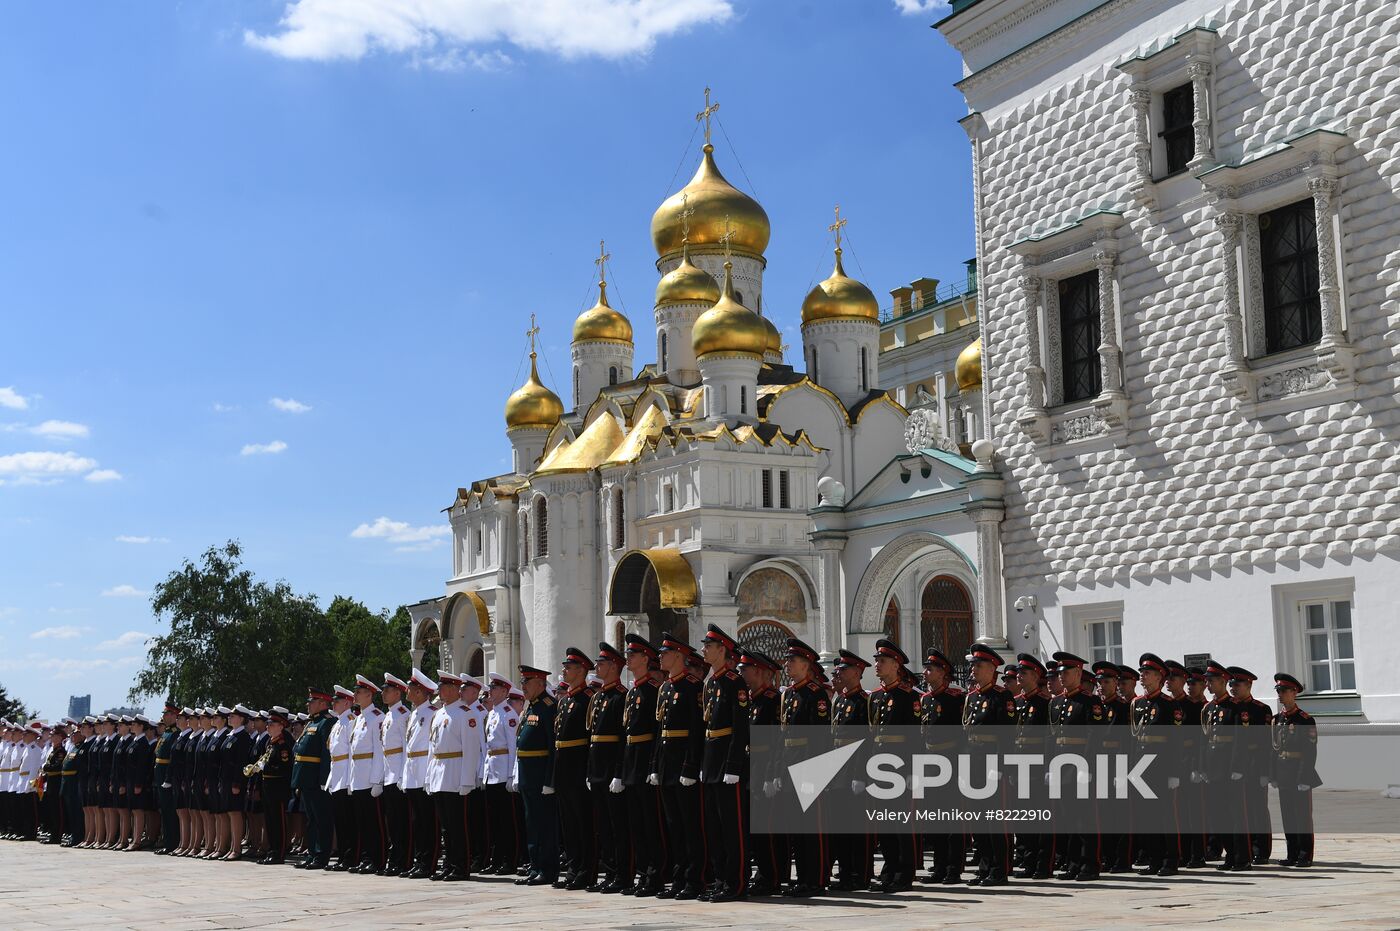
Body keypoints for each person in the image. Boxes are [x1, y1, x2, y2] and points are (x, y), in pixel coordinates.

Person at [772, 637, 830, 898]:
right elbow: (783, 737)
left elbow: (819, 739)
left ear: (806, 665)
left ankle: (815, 879)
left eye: (792, 660)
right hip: (789, 765)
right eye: (787, 660)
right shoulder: (789, 694)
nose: (787, 664)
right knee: (796, 828)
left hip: (808, 769)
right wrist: (779, 771)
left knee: (810, 829)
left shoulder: (815, 694)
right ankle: (802, 878)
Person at [651, 633, 706, 900]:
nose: (660, 657)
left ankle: (694, 879)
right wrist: (655, 766)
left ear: (678, 656)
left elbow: (696, 731)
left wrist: (690, 766)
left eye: (665, 653)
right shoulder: (665, 688)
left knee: (690, 825)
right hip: (666, 765)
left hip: (684, 765)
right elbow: (660, 731)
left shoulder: (693, 687)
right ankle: (678, 877)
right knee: (673, 825)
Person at [698, 624, 750, 902]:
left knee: (732, 828)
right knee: (714, 828)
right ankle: (720, 880)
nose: (704, 650)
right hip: (711, 762)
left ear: (722, 650)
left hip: (727, 764)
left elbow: (740, 729)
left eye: (709, 646)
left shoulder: (734, 682)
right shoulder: (710, 683)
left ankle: (736, 882)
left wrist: (733, 765)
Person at [962, 642, 1015, 886]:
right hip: (974, 765)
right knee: (979, 821)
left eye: (979, 665)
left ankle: (999, 869)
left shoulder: (1002, 696)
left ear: (992, 668)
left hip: (992, 765)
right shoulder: (972, 697)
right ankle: (984, 867)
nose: (973, 669)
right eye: (973, 665)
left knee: (995, 821)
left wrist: (1000, 767)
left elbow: (1007, 736)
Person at [868, 639, 918, 892]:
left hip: (899, 769)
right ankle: (889, 870)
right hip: (879, 768)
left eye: (882, 661)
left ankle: (904, 874)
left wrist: (911, 771)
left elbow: (915, 737)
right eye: (877, 660)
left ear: (896, 665)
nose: (877, 665)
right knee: (884, 824)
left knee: (901, 824)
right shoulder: (875, 697)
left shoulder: (908, 696)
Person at [550, 647, 597, 890]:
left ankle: (586, 871)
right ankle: (572, 868)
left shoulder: (588, 699)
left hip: (578, 768)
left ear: (581, 670)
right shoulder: (566, 700)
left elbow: (590, 739)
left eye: (569, 668)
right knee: (568, 824)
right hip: (564, 769)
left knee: (582, 823)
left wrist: (588, 770)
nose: (564, 671)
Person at [586, 642, 631, 894]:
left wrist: (618, 773)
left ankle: (623, 874)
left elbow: (622, 739)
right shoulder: (599, 697)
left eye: (601, 663)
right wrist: (590, 771)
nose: (597, 667)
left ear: (614, 667)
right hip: (598, 770)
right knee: (603, 826)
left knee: (617, 826)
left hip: (612, 770)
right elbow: (593, 739)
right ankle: (611, 872)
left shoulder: (620, 697)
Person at [919, 648, 966, 884]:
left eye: (930, 669)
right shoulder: (925, 699)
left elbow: (964, 734)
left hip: (950, 762)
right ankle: (938, 867)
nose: (925, 673)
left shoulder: (955, 698)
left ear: (942, 672)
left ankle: (953, 868)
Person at [1131, 654, 1181, 876]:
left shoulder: (1169, 704)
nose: (1142, 676)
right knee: (1146, 816)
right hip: (1141, 769)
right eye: (1141, 672)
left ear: (1159, 677)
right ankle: (1154, 859)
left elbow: (1175, 742)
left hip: (1161, 767)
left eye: (1147, 672)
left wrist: (1174, 772)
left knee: (1165, 816)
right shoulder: (1137, 704)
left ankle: (1170, 860)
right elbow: (1133, 740)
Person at [739, 649, 784, 896]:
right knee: (752, 827)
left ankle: (771, 876)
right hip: (750, 766)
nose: (742, 673)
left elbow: (776, 741)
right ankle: (762, 874)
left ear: (758, 671)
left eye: (745, 669)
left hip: (764, 766)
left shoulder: (772, 699)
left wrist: (770, 774)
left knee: (766, 827)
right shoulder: (750, 699)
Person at [828, 649, 872, 892]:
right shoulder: (840, 701)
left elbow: (866, 742)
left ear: (856, 672)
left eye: (843, 670)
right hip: (838, 769)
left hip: (854, 768)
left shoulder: (863, 702)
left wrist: (860, 775)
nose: (839, 673)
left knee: (857, 827)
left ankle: (861, 874)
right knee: (840, 826)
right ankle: (845, 872)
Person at [514, 664, 560, 887]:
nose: (523, 686)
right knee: (531, 823)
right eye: (522, 682)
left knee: (545, 824)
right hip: (527, 774)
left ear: (540, 684)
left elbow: (553, 747)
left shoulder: (548, 707)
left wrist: (550, 780)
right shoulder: (530, 708)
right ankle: (535, 867)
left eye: (527, 682)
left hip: (541, 775)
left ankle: (547, 870)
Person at [427, 670, 473, 882]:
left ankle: (461, 866)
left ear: (455, 689)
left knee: (457, 825)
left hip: (455, 773)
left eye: (444, 687)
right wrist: (429, 777)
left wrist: (467, 780)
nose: (441, 691)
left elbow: (470, 750)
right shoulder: (438, 714)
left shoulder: (465, 714)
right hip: (439, 773)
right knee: (445, 825)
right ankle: (448, 864)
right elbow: (432, 747)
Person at [1271, 672, 1320, 867]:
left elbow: (1310, 752)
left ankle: (1305, 855)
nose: (1280, 694)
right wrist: (1274, 775)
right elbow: (1273, 750)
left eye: (1284, 691)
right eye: (1278, 691)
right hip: (1283, 773)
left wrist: (1304, 778)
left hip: (1299, 773)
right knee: (1288, 816)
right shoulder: (1277, 720)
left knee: (1302, 817)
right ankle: (1292, 853)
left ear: (1294, 692)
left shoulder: (1304, 720)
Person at [1227, 666, 1273, 866]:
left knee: (1257, 809)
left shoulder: (1261, 709)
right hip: (1234, 764)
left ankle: (1261, 850)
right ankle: (1243, 849)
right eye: (1231, 684)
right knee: (1239, 811)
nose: (1232, 688)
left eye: (1237, 684)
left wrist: (1265, 771)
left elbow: (1266, 743)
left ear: (1248, 685)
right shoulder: (1230, 708)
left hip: (1254, 764)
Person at [401, 668, 439, 879]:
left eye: (410, 688)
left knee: (428, 821)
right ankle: (419, 860)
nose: (407, 691)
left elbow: (433, 746)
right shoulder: (414, 713)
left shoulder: (432, 713)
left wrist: (429, 775)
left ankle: (429, 862)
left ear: (419, 691)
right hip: (412, 769)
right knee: (417, 821)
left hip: (424, 769)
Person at [291, 687, 335, 870]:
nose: (308, 705)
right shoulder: (312, 723)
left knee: (321, 818)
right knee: (311, 819)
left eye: (312, 702)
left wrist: (324, 779)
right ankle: (312, 853)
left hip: (317, 779)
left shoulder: (327, 722)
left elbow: (326, 754)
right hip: (306, 778)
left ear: (323, 703)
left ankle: (321, 855)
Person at [481, 672, 520, 876]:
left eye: (494, 688)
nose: (490, 691)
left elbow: (513, 747)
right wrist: (484, 772)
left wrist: (512, 774)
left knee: (506, 821)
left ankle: (509, 860)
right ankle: (496, 859)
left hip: (504, 771)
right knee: (493, 820)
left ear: (505, 692)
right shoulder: (492, 714)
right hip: (492, 771)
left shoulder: (508, 714)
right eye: (490, 688)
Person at [349, 675, 387, 873]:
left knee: (374, 822)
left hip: (370, 776)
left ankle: (377, 859)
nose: (355, 695)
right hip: (358, 776)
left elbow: (379, 751)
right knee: (362, 822)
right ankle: (366, 857)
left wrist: (377, 780)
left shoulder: (377, 717)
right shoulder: (358, 719)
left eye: (359, 692)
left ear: (369, 695)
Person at [378, 673, 412, 875]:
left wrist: (402, 775)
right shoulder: (389, 715)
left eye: (387, 690)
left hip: (398, 773)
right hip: (388, 773)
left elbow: (407, 747)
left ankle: (404, 860)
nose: (383, 694)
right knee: (392, 821)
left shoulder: (403, 714)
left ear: (398, 693)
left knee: (402, 821)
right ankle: (396, 859)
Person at [256, 707, 295, 864]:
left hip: (278, 787)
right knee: (270, 821)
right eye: (268, 724)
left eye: (271, 725)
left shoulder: (283, 744)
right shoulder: (269, 742)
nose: (268, 727)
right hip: (268, 786)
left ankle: (279, 853)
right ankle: (272, 850)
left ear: (281, 726)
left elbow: (285, 767)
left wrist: (266, 767)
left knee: (279, 821)